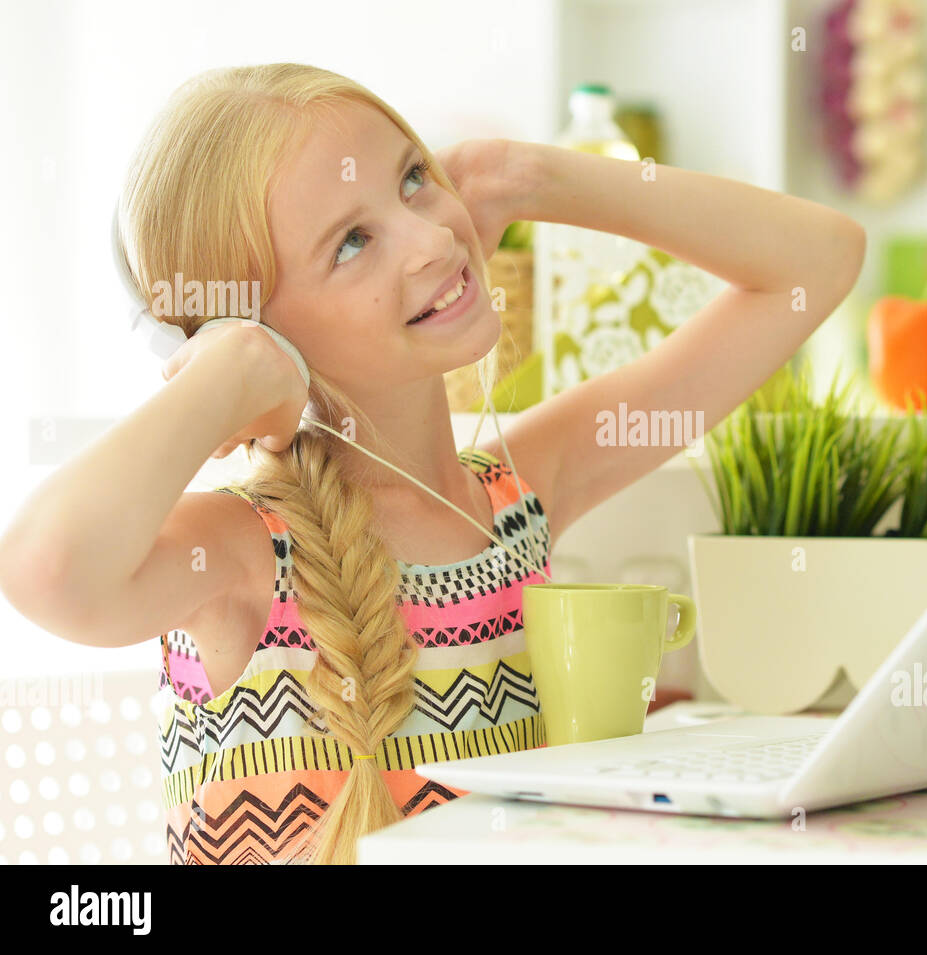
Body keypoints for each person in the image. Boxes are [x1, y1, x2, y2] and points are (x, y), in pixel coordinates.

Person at [0, 63, 867, 864]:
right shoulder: (235, 554)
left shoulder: (522, 492)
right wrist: (228, 374)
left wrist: (522, 176)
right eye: (351, 242)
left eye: (415, 177)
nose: (427, 238)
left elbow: (817, 263)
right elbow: (44, 565)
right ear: (254, 325)